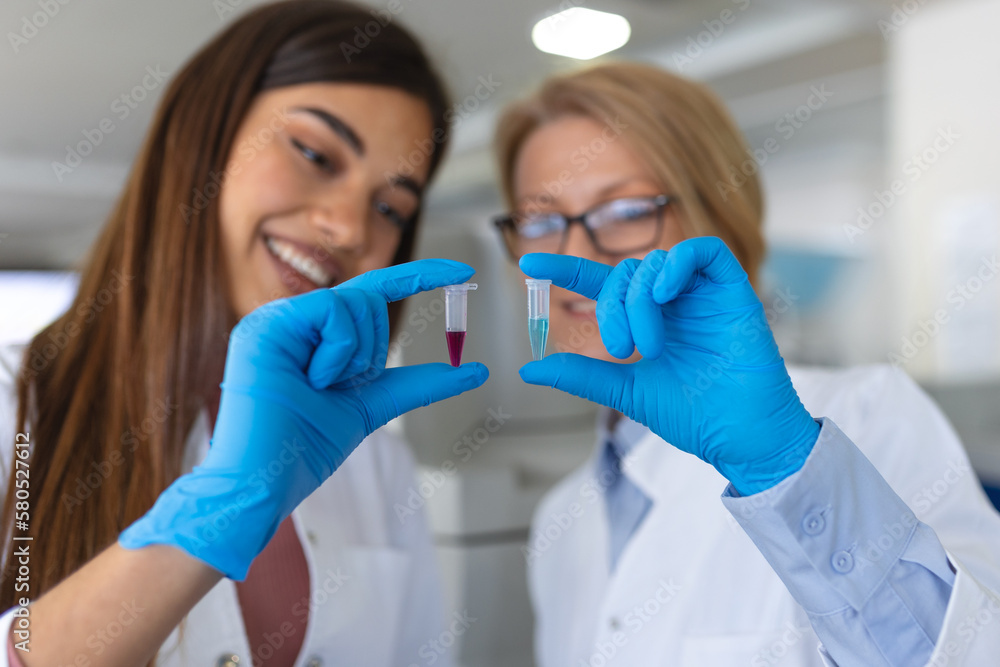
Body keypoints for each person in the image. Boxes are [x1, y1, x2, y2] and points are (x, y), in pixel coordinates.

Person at [0, 2, 487, 665]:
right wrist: (216, 514)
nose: (348, 228)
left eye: (389, 207)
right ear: (201, 141)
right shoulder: (15, 411)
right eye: (315, 152)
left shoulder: (375, 460)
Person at [492, 62, 1000, 666]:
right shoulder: (561, 521)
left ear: (720, 223)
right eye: (540, 221)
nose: (572, 253)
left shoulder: (868, 415)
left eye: (626, 211)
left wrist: (784, 467)